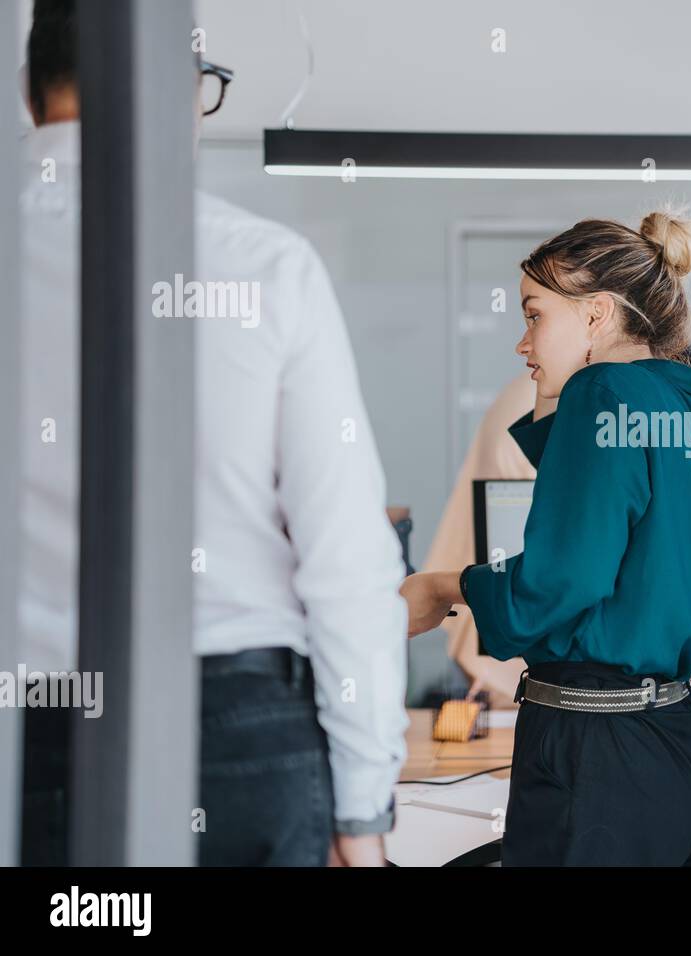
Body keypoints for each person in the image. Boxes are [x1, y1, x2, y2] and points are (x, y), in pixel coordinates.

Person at [18, 0, 407, 866]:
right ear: (183, 91)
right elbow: (345, 563)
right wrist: (361, 812)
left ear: (28, 90)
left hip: (28, 735)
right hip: (236, 738)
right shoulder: (266, 268)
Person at [403, 207, 691, 866]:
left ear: (596, 315)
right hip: (678, 745)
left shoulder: (602, 393)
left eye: (533, 315)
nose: (523, 344)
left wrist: (444, 589)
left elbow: (563, 580)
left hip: (599, 758)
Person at [420, 372, 535, 708]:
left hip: (497, 640)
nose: (522, 344)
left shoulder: (531, 393)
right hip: (520, 661)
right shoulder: (561, 405)